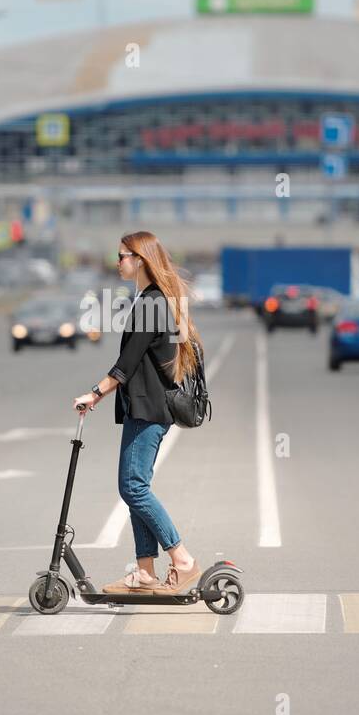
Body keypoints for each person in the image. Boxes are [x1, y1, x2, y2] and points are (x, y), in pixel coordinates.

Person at [72, 232, 205, 595]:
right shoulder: (150, 299)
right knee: (135, 487)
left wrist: (94, 393)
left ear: (141, 259)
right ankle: (145, 572)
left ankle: (182, 559)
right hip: (143, 407)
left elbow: (126, 364)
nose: (118, 262)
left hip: (150, 409)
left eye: (122, 256)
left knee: (132, 487)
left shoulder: (153, 303)